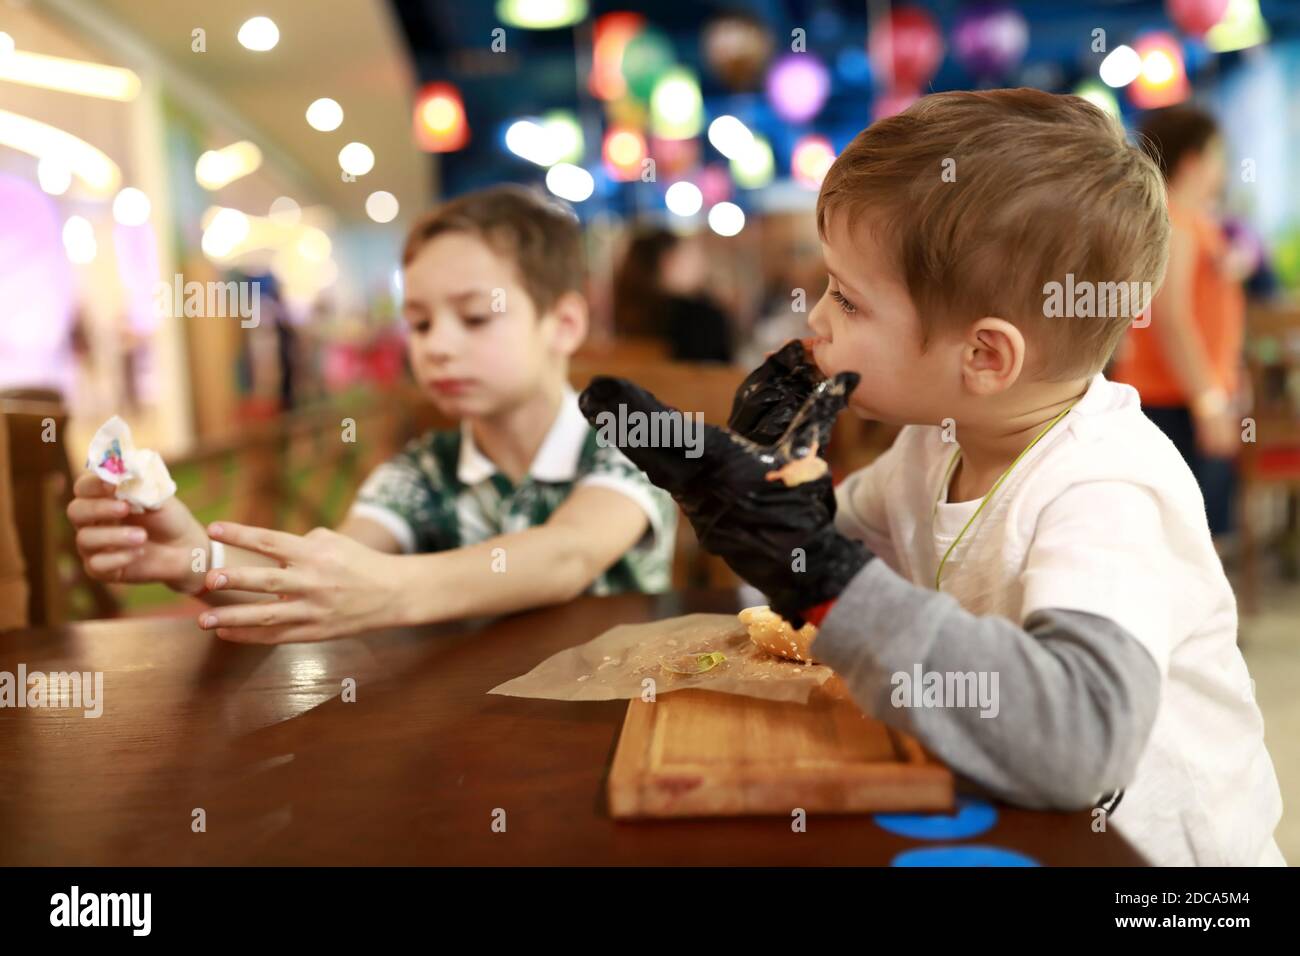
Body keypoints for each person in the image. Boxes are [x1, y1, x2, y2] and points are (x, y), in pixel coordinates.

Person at [582, 90, 1283, 866]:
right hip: (1010, 817)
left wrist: (827, 579)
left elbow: (1077, 740)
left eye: (846, 298)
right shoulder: (933, 446)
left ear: (984, 357)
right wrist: (760, 503)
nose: (814, 318)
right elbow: (802, 584)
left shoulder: (1110, 490)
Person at [67, 185, 676, 643]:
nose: (436, 345)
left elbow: (566, 554)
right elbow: (326, 566)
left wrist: (387, 591)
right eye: (419, 322)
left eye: (474, 317)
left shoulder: (630, 442)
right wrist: (194, 558)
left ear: (564, 323)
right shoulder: (422, 470)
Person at [1110, 104, 1249, 548]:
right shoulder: (1175, 221)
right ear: (1193, 162)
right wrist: (1208, 402)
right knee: (1186, 540)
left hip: (1185, 394)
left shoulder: (1188, 220)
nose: (1222, 170)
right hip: (1177, 401)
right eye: (1218, 157)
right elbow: (1173, 321)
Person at [613, 227, 734, 362]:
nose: (701, 264)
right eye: (691, 256)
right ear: (668, 261)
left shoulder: (628, 312)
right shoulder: (703, 317)